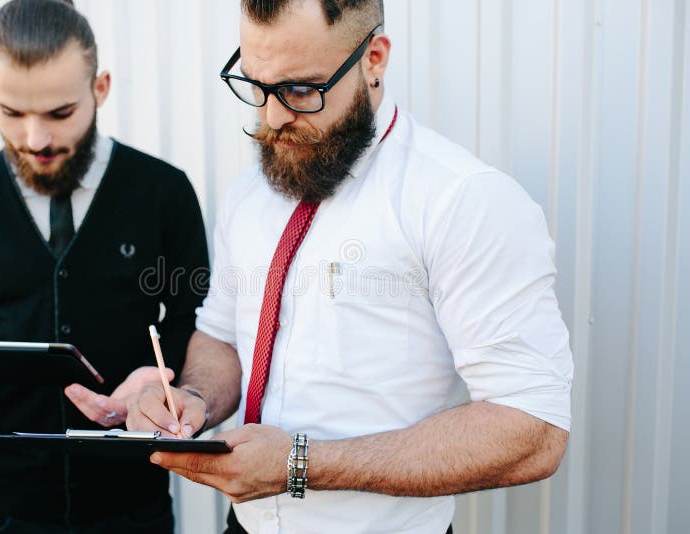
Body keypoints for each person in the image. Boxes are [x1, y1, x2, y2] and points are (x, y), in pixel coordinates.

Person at [120, 0, 575, 533]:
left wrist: (299, 466)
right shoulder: (249, 195)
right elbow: (222, 337)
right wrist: (191, 400)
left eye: (299, 90)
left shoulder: (463, 200)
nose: (271, 117)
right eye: (256, 85)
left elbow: (533, 431)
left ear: (374, 59)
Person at [0, 0, 208, 532]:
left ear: (100, 89)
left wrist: (165, 378)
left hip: (130, 500)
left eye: (60, 113)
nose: (35, 139)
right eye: (11, 113)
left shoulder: (164, 192)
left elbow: (195, 321)